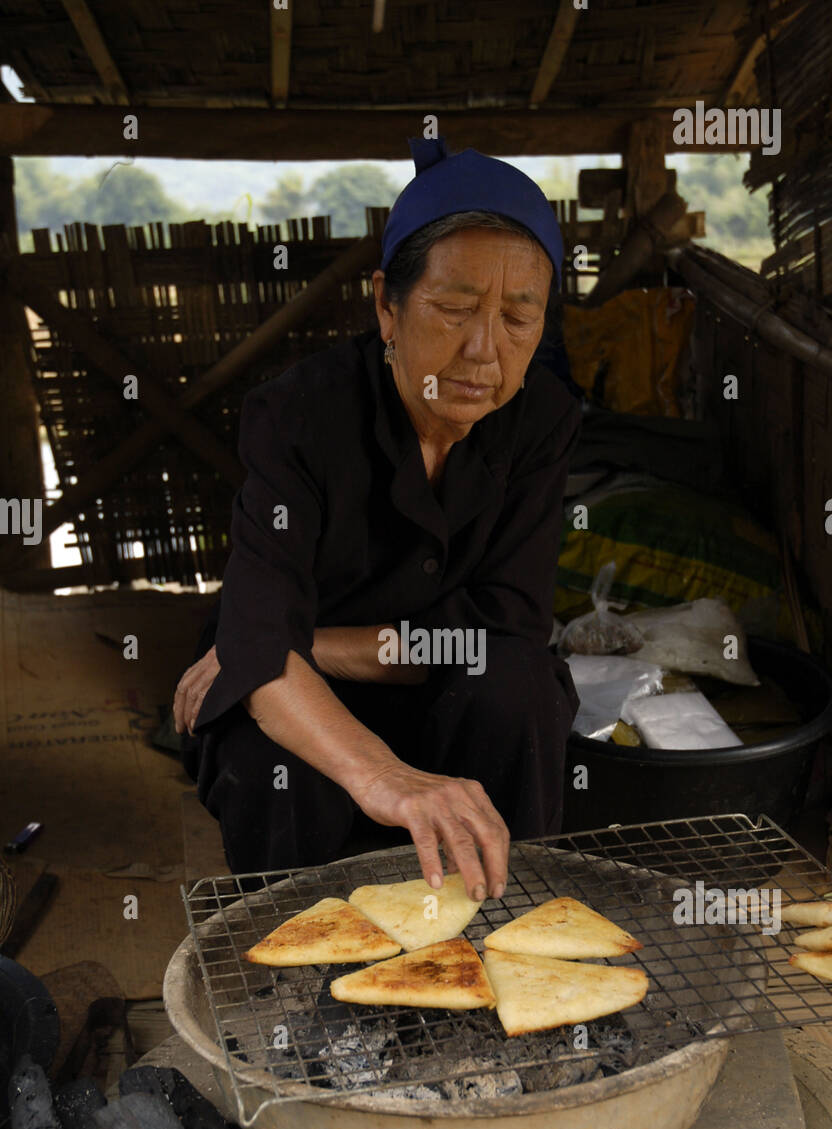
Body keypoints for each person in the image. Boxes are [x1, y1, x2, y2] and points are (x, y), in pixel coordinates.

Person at [174, 137, 581, 901]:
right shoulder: (300, 415)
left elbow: (505, 626)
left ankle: (508, 929)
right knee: (278, 771)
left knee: (518, 685)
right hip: (298, 707)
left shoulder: (540, 420)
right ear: (386, 306)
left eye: (519, 320)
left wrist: (309, 647)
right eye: (455, 308)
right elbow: (260, 656)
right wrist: (384, 776)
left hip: (427, 683)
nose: (483, 351)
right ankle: (308, 986)